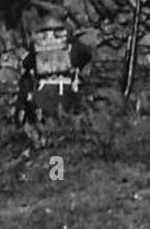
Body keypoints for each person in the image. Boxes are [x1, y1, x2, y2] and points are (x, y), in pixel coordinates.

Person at [15, 13, 94, 144]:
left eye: (55, 32)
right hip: (48, 100)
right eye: (46, 32)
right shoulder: (35, 56)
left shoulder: (73, 49)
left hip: (65, 96)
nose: (50, 37)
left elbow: (85, 56)